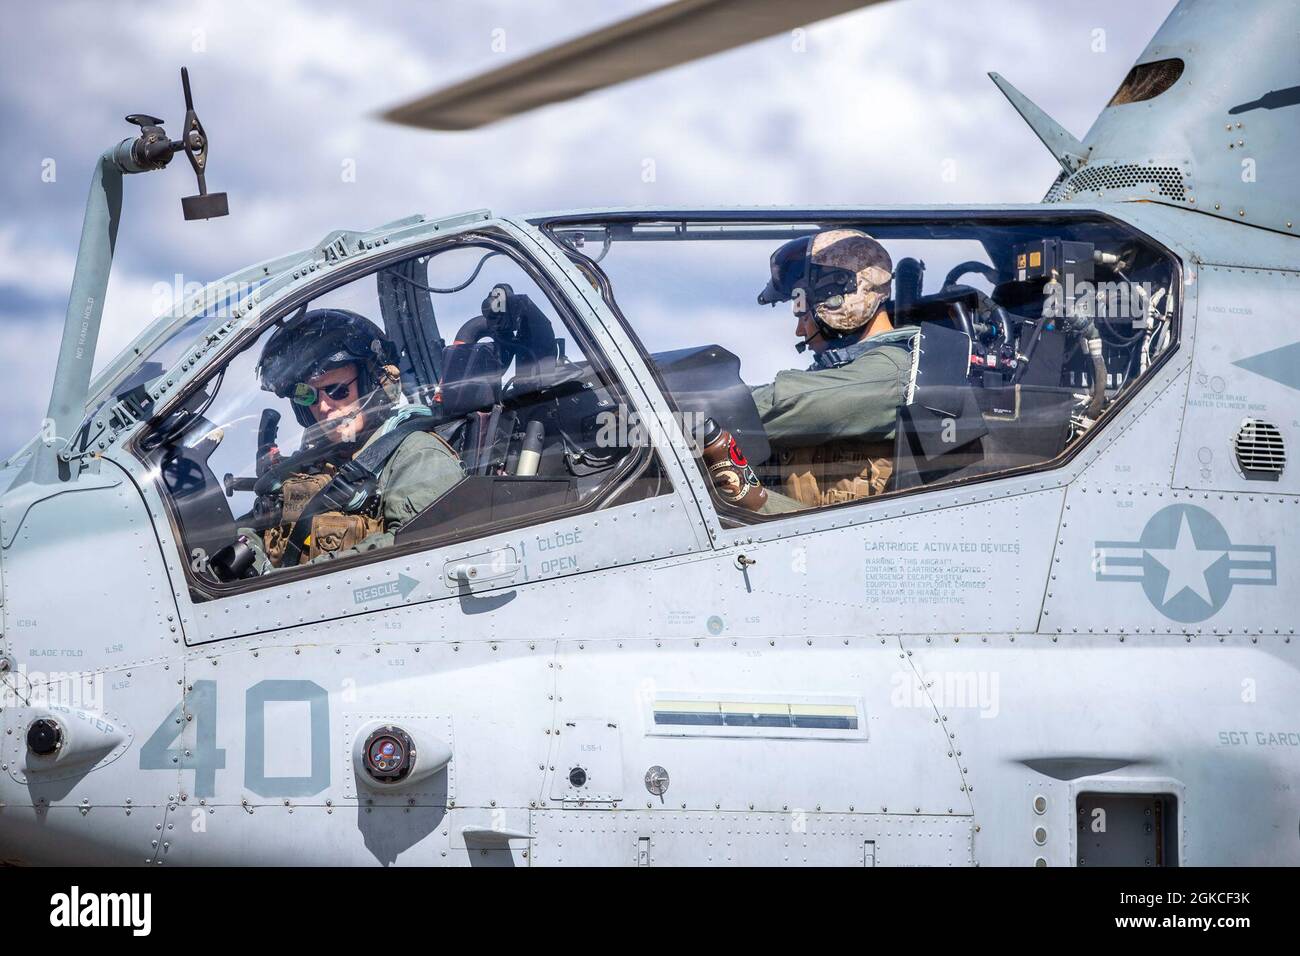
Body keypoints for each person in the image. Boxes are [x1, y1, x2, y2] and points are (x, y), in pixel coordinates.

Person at [217, 308, 462, 578]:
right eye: (308, 396)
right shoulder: (317, 463)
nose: (323, 406)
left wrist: (289, 580)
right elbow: (257, 528)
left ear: (373, 383)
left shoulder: (418, 455)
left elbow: (416, 551)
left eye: (337, 390)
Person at [749, 228, 917, 509]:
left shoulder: (891, 371)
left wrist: (692, 415)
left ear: (841, 299)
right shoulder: (853, 368)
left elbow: (785, 404)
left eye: (803, 314)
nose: (799, 330)